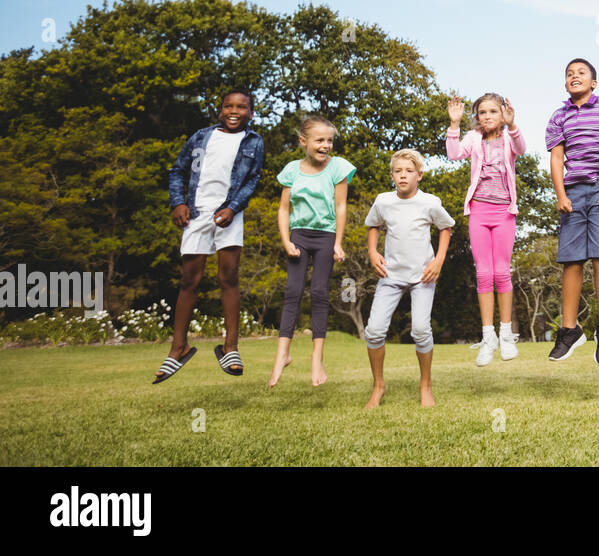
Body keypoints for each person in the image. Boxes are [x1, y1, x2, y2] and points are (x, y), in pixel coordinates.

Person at [155, 88, 264, 383]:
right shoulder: (201, 137)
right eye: (228, 106)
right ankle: (179, 346)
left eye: (241, 107)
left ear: (250, 113)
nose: (234, 111)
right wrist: (177, 202)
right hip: (197, 213)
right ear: (220, 110)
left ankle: (230, 346)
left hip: (229, 214)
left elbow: (252, 180)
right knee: (189, 279)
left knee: (228, 277)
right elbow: (177, 170)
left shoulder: (253, 141)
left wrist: (232, 207)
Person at [544, 58, 599, 364]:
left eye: (581, 73)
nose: (574, 76)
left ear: (593, 83)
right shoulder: (558, 116)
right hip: (573, 191)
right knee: (571, 260)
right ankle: (569, 329)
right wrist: (560, 194)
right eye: (569, 74)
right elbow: (556, 159)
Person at [268, 115, 356, 388]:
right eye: (320, 140)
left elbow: (341, 207)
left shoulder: (338, 168)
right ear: (303, 142)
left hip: (326, 236)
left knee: (319, 292)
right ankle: (283, 353)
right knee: (292, 292)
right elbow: (284, 209)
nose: (326, 145)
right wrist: (286, 241)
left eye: (329, 140)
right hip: (298, 236)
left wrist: (338, 243)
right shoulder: (292, 170)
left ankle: (317, 357)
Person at [362, 149, 454, 408]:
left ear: (419, 175)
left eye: (409, 171)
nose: (403, 175)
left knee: (421, 330)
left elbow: (446, 228)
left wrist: (438, 260)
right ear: (392, 175)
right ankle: (378, 386)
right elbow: (373, 226)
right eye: (398, 171)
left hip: (423, 277)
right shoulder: (383, 201)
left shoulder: (430, 202)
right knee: (375, 330)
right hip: (390, 276)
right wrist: (372, 252)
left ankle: (426, 386)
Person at [446, 93, 526, 365]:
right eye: (482, 112)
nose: (488, 116)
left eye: (493, 111)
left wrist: (513, 125)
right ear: (477, 117)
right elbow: (453, 153)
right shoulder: (473, 138)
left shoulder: (508, 138)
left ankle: (506, 334)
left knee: (502, 271)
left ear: (503, 114)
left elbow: (522, 148)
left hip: (504, 211)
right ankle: (487, 335)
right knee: (483, 273)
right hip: (478, 210)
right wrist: (454, 125)